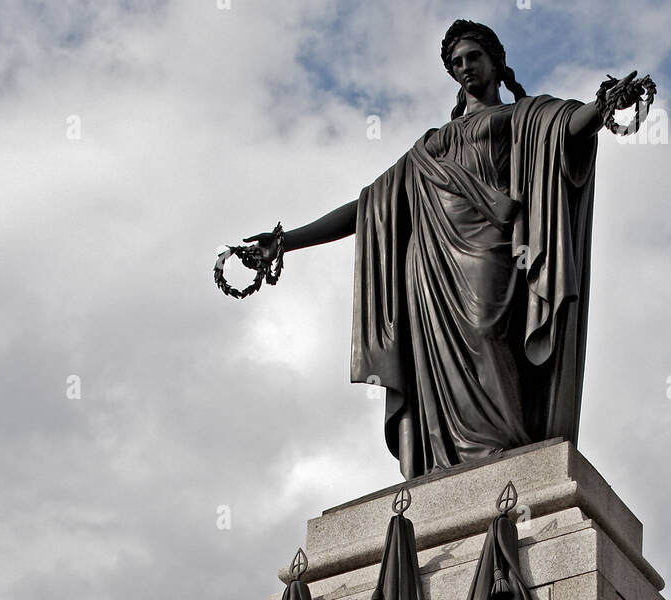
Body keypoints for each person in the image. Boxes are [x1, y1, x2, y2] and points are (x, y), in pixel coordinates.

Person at [244, 20, 648, 478]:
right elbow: (367, 208)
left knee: (486, 331)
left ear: (495, 61)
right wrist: (287, 241)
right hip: (429, 264)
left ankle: (502, 447)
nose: (464, 68)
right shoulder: (429, 148)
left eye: (473, 57)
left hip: (493, 247)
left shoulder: (522, 116)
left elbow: (566, 129)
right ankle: (453, 459)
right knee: (439, 363)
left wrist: (602, 106)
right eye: (455, 63)